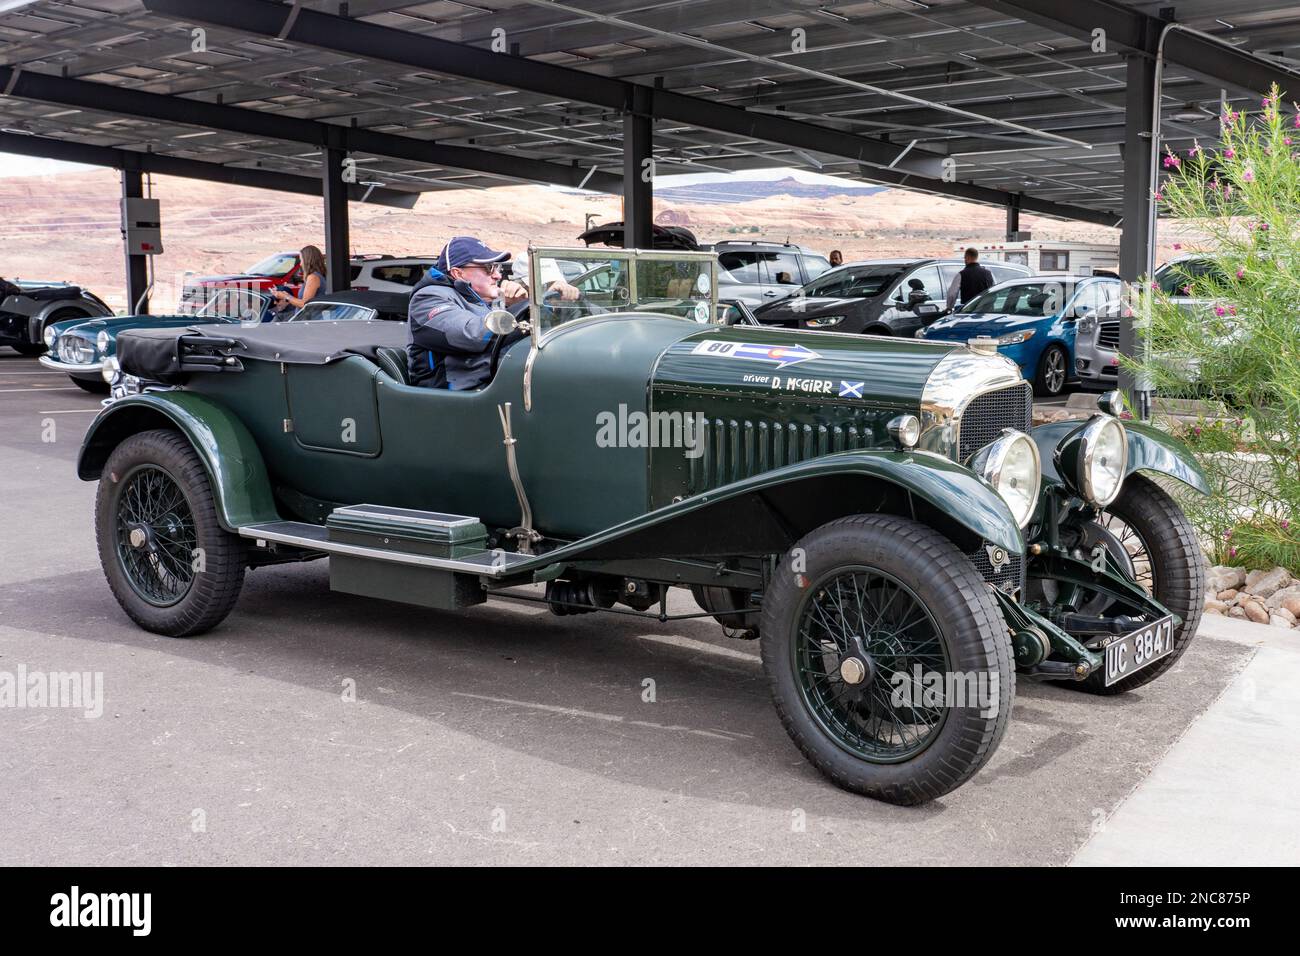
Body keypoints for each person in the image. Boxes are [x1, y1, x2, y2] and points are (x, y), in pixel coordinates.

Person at [407, 236, 577, 390]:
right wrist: (530, 306)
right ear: (458, 273)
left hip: (490, 383)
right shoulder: (428, 298)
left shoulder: (479, 299)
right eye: (488, 268)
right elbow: (472, 335)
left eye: (497, 267)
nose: (497, 275)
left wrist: (518, 305)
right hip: (454, 394)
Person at [271, 245, 326, 310]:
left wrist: (285, 296)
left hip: (308, 318)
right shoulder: (315, 276)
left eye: (301, 260)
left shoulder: (313, 277)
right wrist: (287, 295)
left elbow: (304, 304)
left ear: (307, 260)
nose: (300, 264)